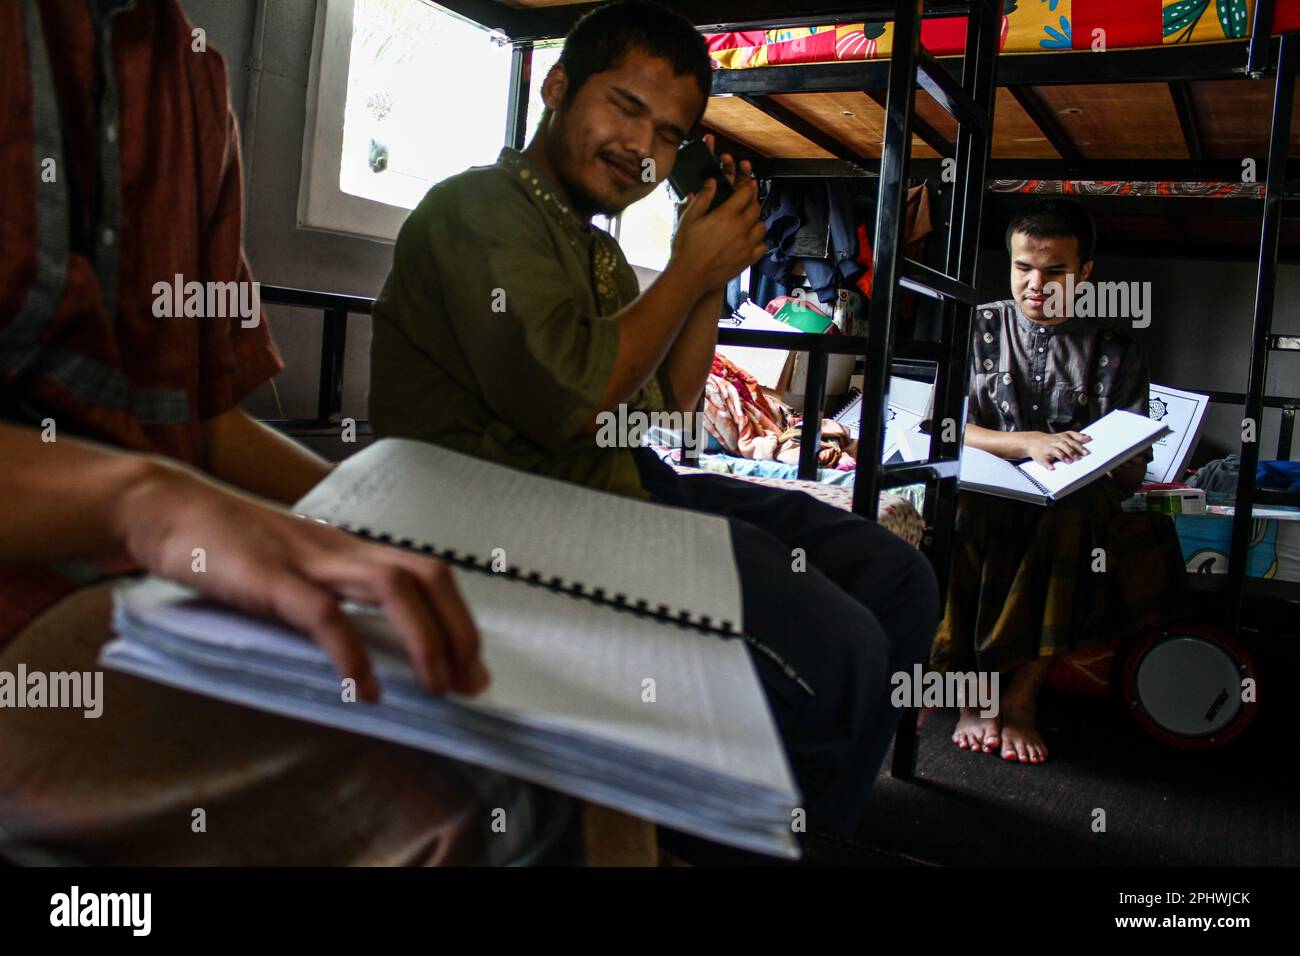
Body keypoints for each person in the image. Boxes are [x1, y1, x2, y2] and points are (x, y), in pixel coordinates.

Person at [0, 0, 568, 866]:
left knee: (548, 700)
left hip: (150, 572)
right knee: (480, 786)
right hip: (35, 595)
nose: (645, 148)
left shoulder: (189, 74)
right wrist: (147, 502)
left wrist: (384, 531)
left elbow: (198, 420)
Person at [369, 0, 939, 850]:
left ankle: (767, 800)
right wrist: (684, 269)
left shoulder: (592, 245)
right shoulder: (479, 210)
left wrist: (712, 269)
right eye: (625, 108)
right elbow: (575, 398)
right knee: (843, 650)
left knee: (897, 579)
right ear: (557, 86)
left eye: (669, 136)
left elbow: (668, 404)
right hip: (509, 515)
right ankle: (733, 837)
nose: (643, 149)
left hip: (622, 483)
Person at [931, 198, 1189, 764]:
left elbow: (1130, 472)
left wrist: (1099, 457)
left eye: (1055, 271)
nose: (1035, 284)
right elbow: (945, 427)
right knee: (967, 513)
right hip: (987, 480)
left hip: (1073, 497)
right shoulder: (978, 325)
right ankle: (973, 694)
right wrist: (1024, 442)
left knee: (1069, 524)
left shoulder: (1118, 351)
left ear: (1086, 273)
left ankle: (1021, 700)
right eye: (1024, 267)